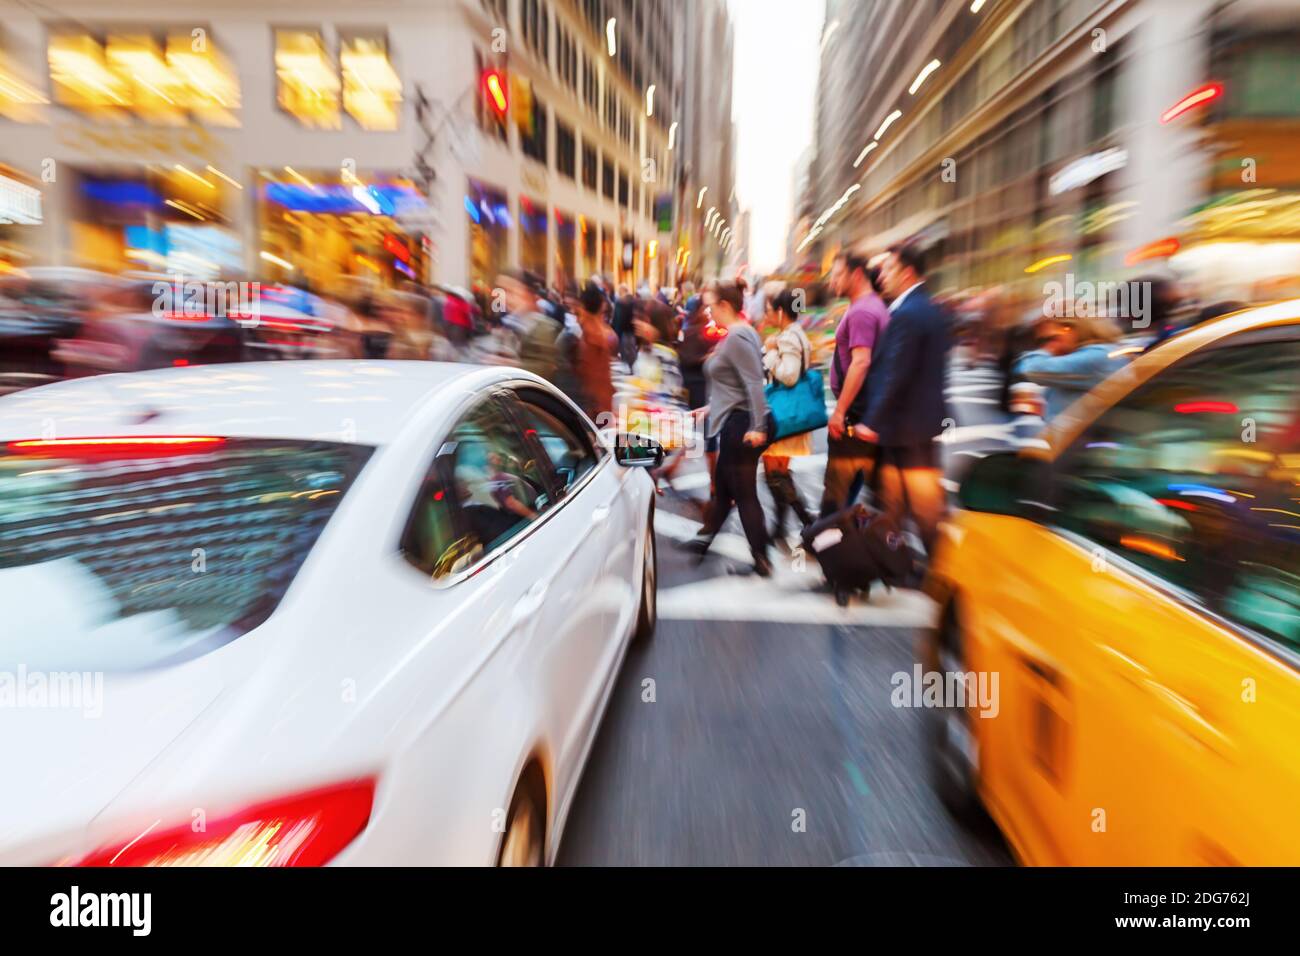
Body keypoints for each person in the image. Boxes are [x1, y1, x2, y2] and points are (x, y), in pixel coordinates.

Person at [855, 243, 950, 557]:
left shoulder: (908, 314)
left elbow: (896, 373)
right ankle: (891, 562)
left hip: (909, 428)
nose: (883, 275)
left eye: (890, 269)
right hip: (910, 427)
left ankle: (943, 573)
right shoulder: (930, 308)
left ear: (907, 273)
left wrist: (871, 420)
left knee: (924, 510)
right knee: (891, 502)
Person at [679, 282, 772, 577]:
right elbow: (733, 385)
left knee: (743, 494)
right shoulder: (735, 335)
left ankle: (761, 559)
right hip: (735, 420)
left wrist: (758, 427)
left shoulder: (737, 337)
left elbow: (754, 383)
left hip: (742, 426)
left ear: (725, 306)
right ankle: (703, 542)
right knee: (722, 489)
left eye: (711, 306)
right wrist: (708, 409)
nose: (707, 311)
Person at [822, 252, 891, 515]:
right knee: (852, 487)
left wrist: (839, 412)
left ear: (857, 275)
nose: (833, 281)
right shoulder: (869, 305)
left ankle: (827, 542)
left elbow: (861, 362)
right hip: (865, 411)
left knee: (836, 492)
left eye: (838, 274)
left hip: (854, 414)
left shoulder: (863, 310)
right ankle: (837, 538)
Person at [761, 287, 815, 546]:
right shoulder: (797, 334)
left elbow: (790, 375)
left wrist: (770, 352)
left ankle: (808, 523)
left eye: (770, 310)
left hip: (785, 415)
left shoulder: (788, 338)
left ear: (781, 312)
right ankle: (781, 528)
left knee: (775, 474)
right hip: (792, 414)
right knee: (779, 473)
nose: (767, 315)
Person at [1014, 311, 1124, 420]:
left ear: (1069, 329)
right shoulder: (1100, 353)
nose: (1045, 346)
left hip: (1088, 435)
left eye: (1050, 338)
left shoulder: (1097, 356)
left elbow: (1030, 368)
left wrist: (1050, 348)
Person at [559, 281, 616, 420]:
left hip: (591, 415)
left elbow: (591, 386)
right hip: (601, 411)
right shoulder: (605, 334)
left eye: (576, 310)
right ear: (601, 307)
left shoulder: (587, 338)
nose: (573, 313)